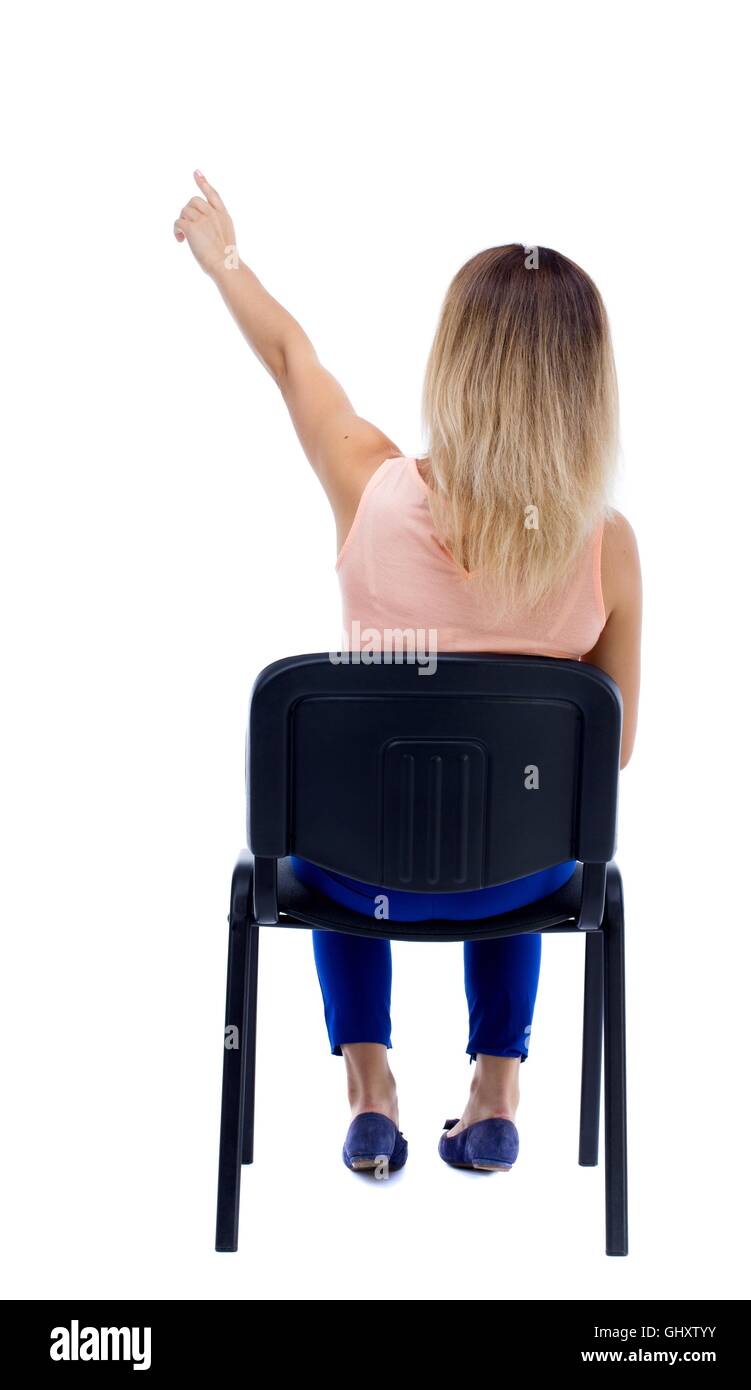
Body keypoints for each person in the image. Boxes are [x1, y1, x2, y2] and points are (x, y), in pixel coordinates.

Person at [175, 173, 642, 1176]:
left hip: (357, 879)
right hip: (520, 882)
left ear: (455, 365)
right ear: (585, 383)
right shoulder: (608, 549)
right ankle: (498, 1090)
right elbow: (609, 759)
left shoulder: (369, 488)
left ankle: (369, 1085)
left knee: (345, 806)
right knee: (520, 799)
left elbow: (291, 359)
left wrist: (224, 257)